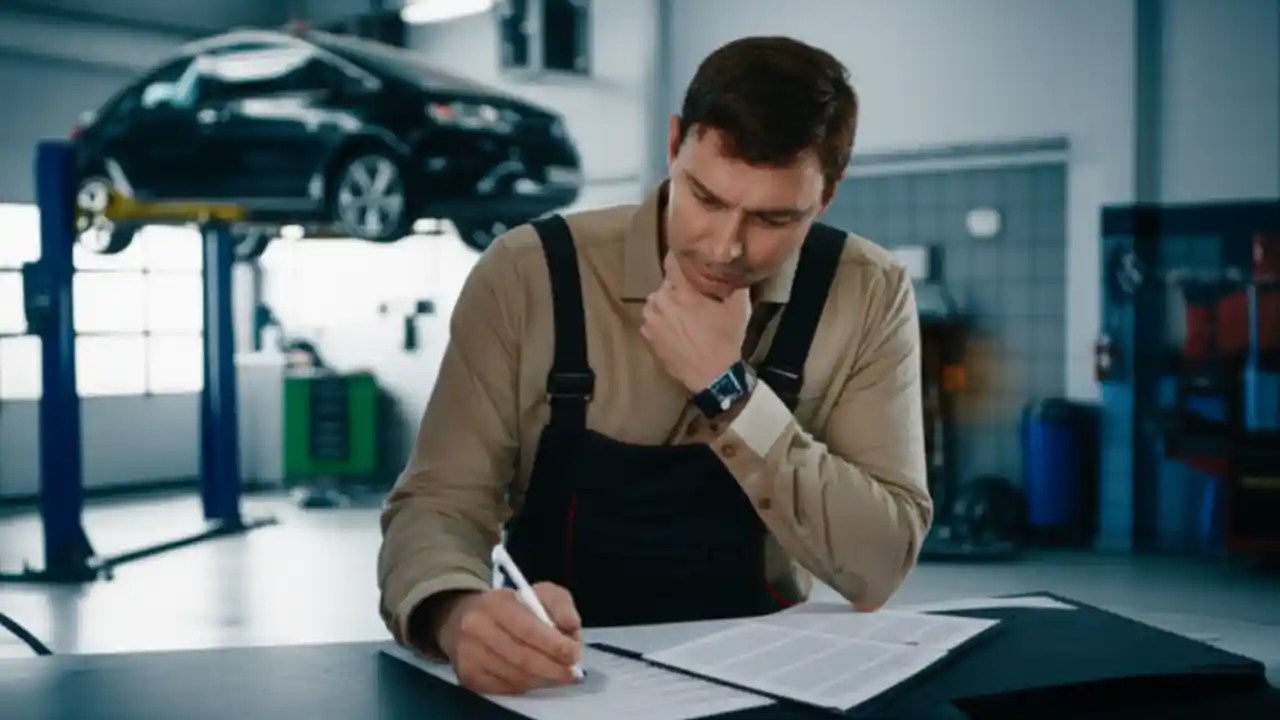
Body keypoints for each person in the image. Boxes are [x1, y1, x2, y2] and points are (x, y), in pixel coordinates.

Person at [377, 35, 932, 695]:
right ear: (674, 145)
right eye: (705, 197)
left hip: (770, 685)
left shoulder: (868, 292)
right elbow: (437, 502)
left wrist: (731, 391)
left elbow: (878, 564)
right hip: (553, 685)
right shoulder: (529, 275)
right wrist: (454, 611)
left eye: (772, 218)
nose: (725, 247)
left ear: (828, 195)